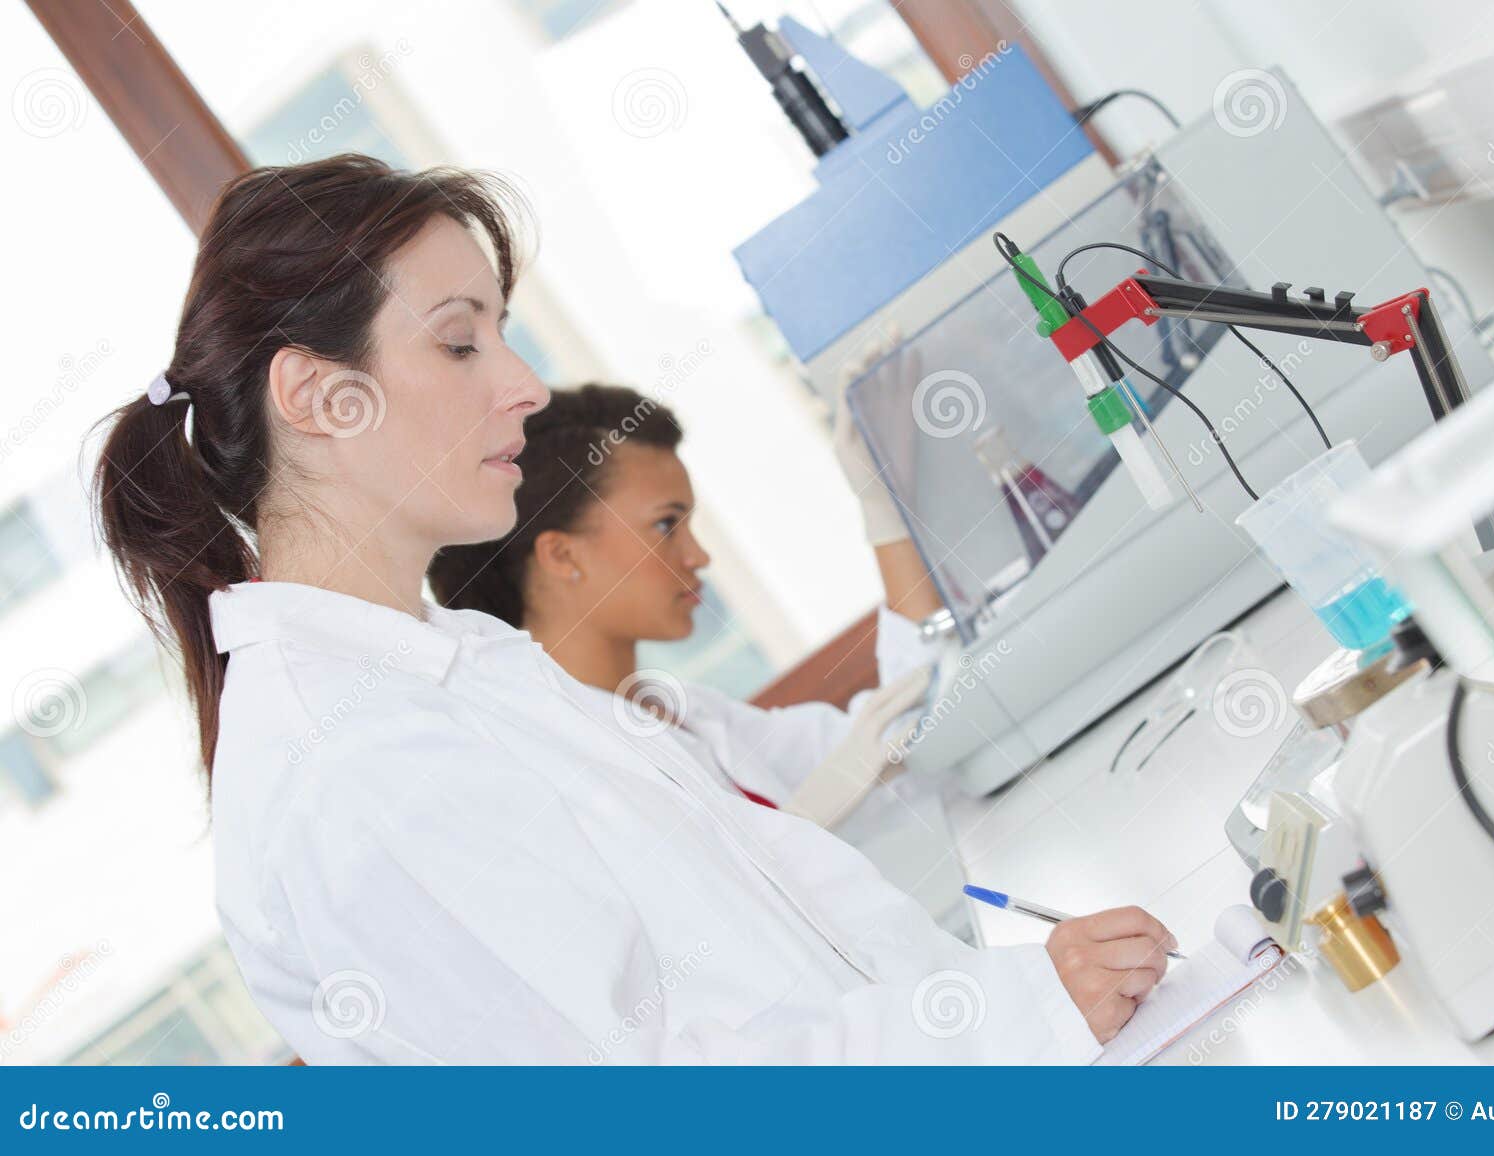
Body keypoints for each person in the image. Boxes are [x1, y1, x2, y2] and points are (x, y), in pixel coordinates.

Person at [93, 153, 1178, 1064]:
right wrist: (1015, 1020)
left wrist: (1006, 1004)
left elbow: (784, 921)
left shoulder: (457, 660)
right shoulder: (351, 768)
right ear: (320, 397)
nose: (524, 385)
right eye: (461, 342)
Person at [427, 382, 934, 829]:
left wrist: (883, 507)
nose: (699, 557)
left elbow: (904, 734)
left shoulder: (684, 712)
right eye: (666, 525)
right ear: (562, 555)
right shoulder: (554, 765)